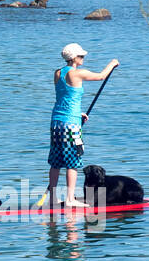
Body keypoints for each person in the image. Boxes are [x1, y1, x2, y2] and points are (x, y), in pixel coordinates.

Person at [47, 43, 117, 207]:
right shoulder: (78, 73)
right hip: (70, 125)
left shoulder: (57, 73)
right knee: (72, 160)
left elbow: (64, 96)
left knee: (56, 161)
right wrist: (112, 64)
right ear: (74, 58)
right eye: (81, 56)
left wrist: (78, 114)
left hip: (57, 121)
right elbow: (101, 76)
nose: (83, 58)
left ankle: (52, 198)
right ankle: (70, 199)